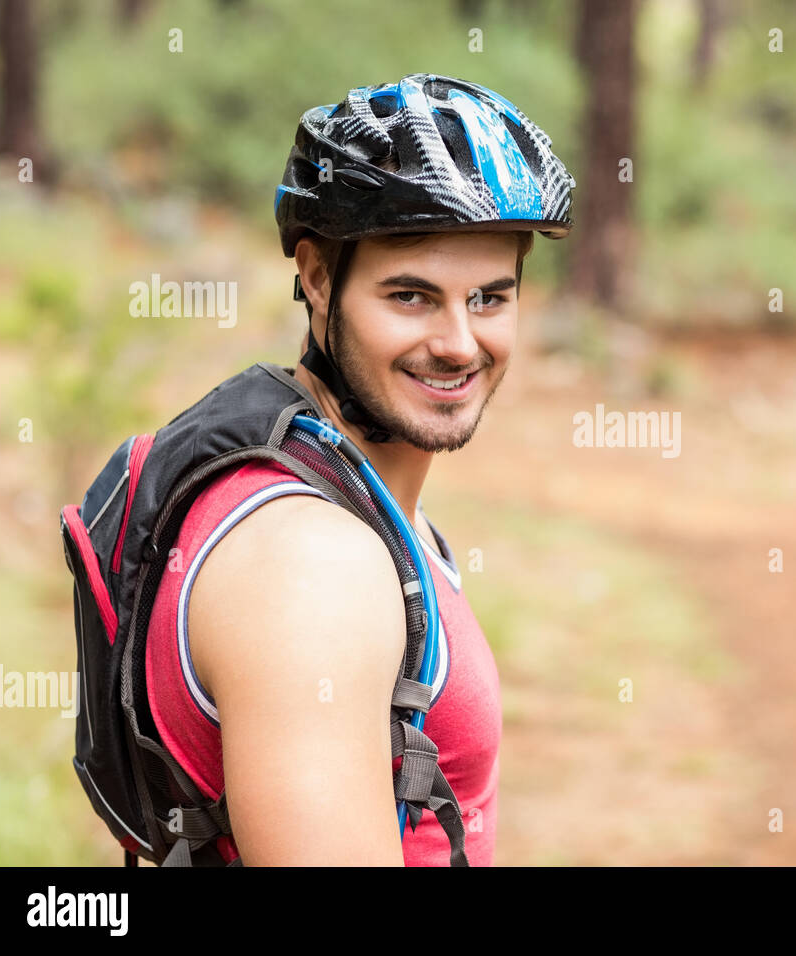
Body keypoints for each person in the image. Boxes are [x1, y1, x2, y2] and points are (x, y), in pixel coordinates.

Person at [142, 73, 574, 865]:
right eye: (411, 296)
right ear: (315, 277)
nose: (457, 342)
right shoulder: (313, 567)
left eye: (489, 298)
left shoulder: (354, 502)